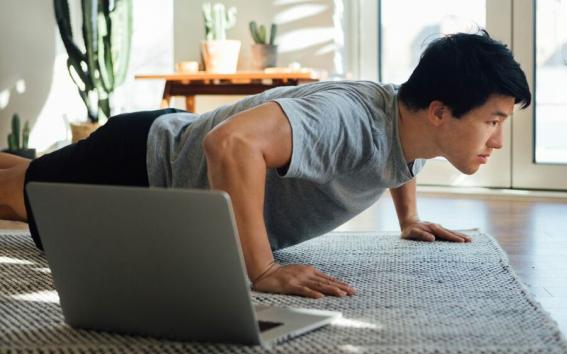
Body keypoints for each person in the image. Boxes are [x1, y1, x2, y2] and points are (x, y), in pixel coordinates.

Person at [0, 30, 530, 299]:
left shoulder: (407, 119)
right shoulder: (347, 121)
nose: (498, 141)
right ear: (439, 111)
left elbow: (402, 153)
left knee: (21, 176)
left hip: (152, 150)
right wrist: (261, 268)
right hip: (142, 170)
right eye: (492, 121)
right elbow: (229, 146)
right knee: (14, 197)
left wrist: (408, 218)